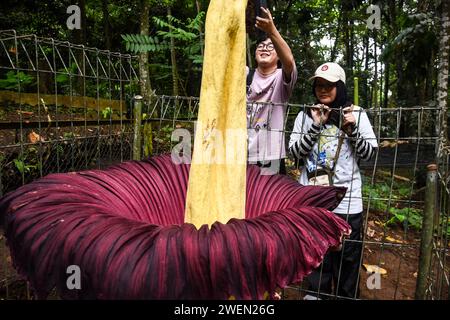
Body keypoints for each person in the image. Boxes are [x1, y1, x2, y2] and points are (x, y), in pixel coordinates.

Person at [288, 62, 378, 299]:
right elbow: (294, 154)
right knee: (316, 257)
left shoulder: (356, 114)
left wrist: (352, 130)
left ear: (340, 86)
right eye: (319, 85)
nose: (323, 89)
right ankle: (315, 294)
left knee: (347, 263)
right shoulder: (304, 115)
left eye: (329, 85)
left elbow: (369, 156)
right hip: (313, 202)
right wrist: (315, 126)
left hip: (348, 203)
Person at [246, 7, 297, 175]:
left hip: (271, 156)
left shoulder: (282, 78)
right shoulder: (246, 75)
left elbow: (289, 61)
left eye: (271, 46)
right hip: (242, 154)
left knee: (269, 201)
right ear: (254, 53)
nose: (265, 48)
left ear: (278, 56)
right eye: (260, 46)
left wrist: (271, 30)